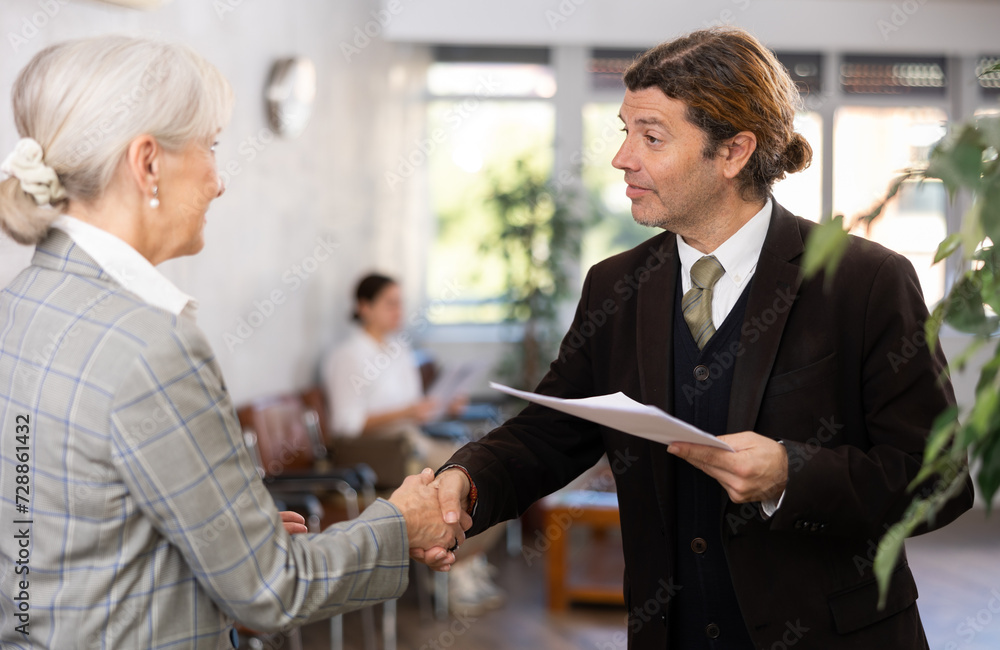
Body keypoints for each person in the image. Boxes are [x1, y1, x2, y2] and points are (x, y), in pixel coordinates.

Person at [421, 27, 975, 649]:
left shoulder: (866, 282)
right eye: (625, 131)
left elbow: (940, 482)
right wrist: (465, 483)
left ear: (734, 151)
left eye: (651, 137)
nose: (622, 158)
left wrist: (790, 475)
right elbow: (549, 433)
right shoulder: (614, 287)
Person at [0, 36, 465, 650]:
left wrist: (221, 546)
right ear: (147, 163)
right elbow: (272, 589)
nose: (219, 183)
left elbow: (56, 544)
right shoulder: (153, 347)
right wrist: (399, 523)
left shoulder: (19, 305)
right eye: (212, 146)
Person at [323, 273, 506, 615]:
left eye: (400, 303)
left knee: (489, 471)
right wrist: (407, 412)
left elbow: (416, 410)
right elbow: (345, 425)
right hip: (378, 452)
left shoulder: (399, 350)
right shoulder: (348, 355)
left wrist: (444, 405)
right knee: (465, 478)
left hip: (412, 441)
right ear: (364, 307)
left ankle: (468, 561)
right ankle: (456, 571)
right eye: (390, 303)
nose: (398, 310)